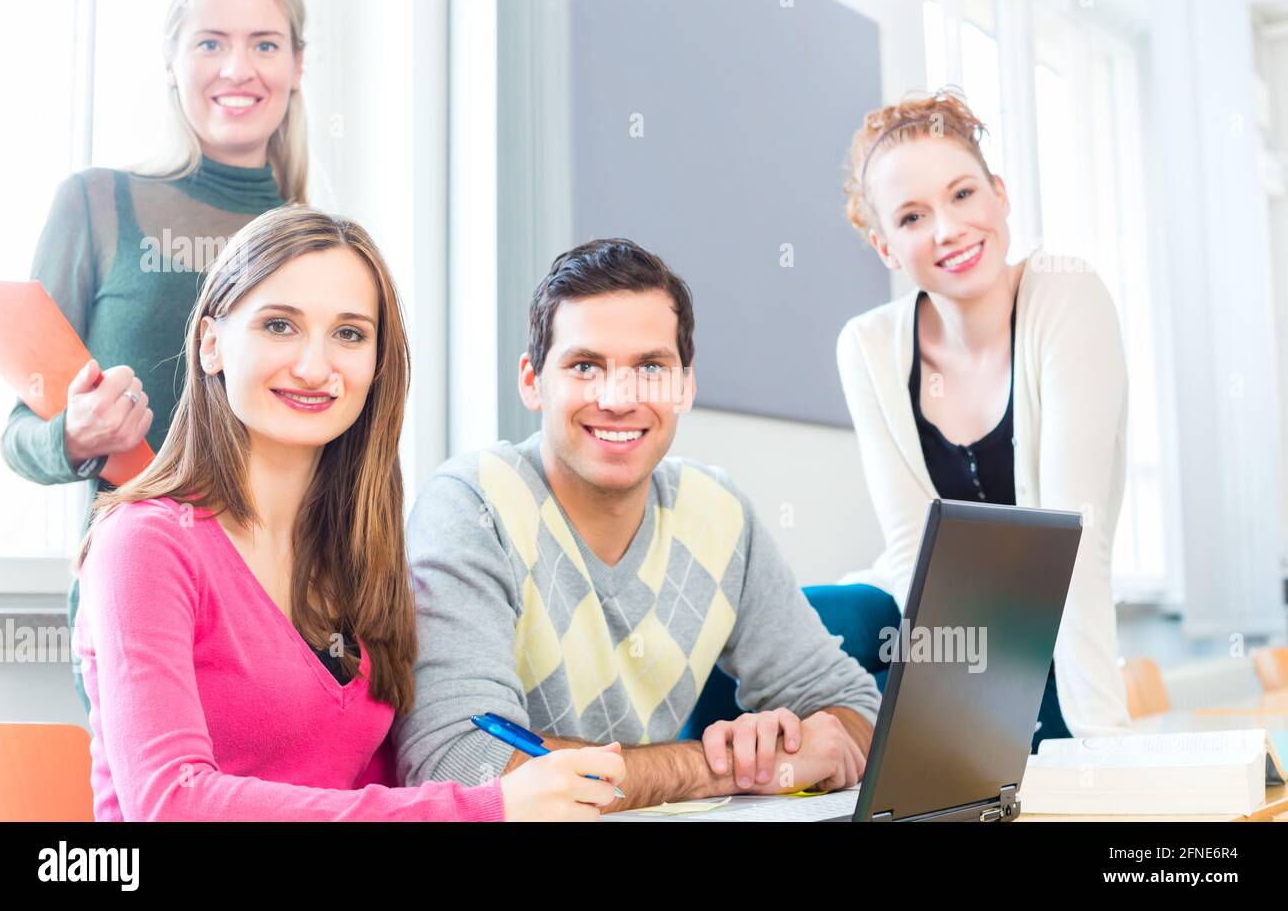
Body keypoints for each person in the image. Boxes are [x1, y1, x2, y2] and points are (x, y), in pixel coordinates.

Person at [73, 205, 625, 821]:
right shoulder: (143, 545)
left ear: (377, 363)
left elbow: (375, 793)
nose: (314, 366)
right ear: (211, 344)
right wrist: (483, 809)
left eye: (349, 333)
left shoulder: (361, 557)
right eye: (279, 325)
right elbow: (171, 805)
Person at [394, 238, 881, 812]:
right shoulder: (473, 506)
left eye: (650, 367)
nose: (619, 398)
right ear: (532, 381)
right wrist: (718, 768)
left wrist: (817, 742)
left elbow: (858, 709)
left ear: (686, 386)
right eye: (584, 366)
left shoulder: (719, 513)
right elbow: (462, 762)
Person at [1, 0, 308, 712]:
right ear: (171, 62)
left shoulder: (317, 239)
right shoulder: (96, 205)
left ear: (298, 65)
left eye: (265, 43)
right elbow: (20, 436)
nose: (238, 67)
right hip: (141, 588)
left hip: (291, 592)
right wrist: (73, 435)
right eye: (210, 42)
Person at [835, 89, 1132, 741]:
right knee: (819, 621)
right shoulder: (867, 346)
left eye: (963, 194)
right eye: (912, 218)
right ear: (886, 247)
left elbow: (1074, 539)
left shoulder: (1064, 296)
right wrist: (947, 731)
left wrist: (1107, 751)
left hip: (1045, 632)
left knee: (1043, 751)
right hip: (936, 628)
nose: (947, 229)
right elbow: (916, 548)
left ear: (999, 194)